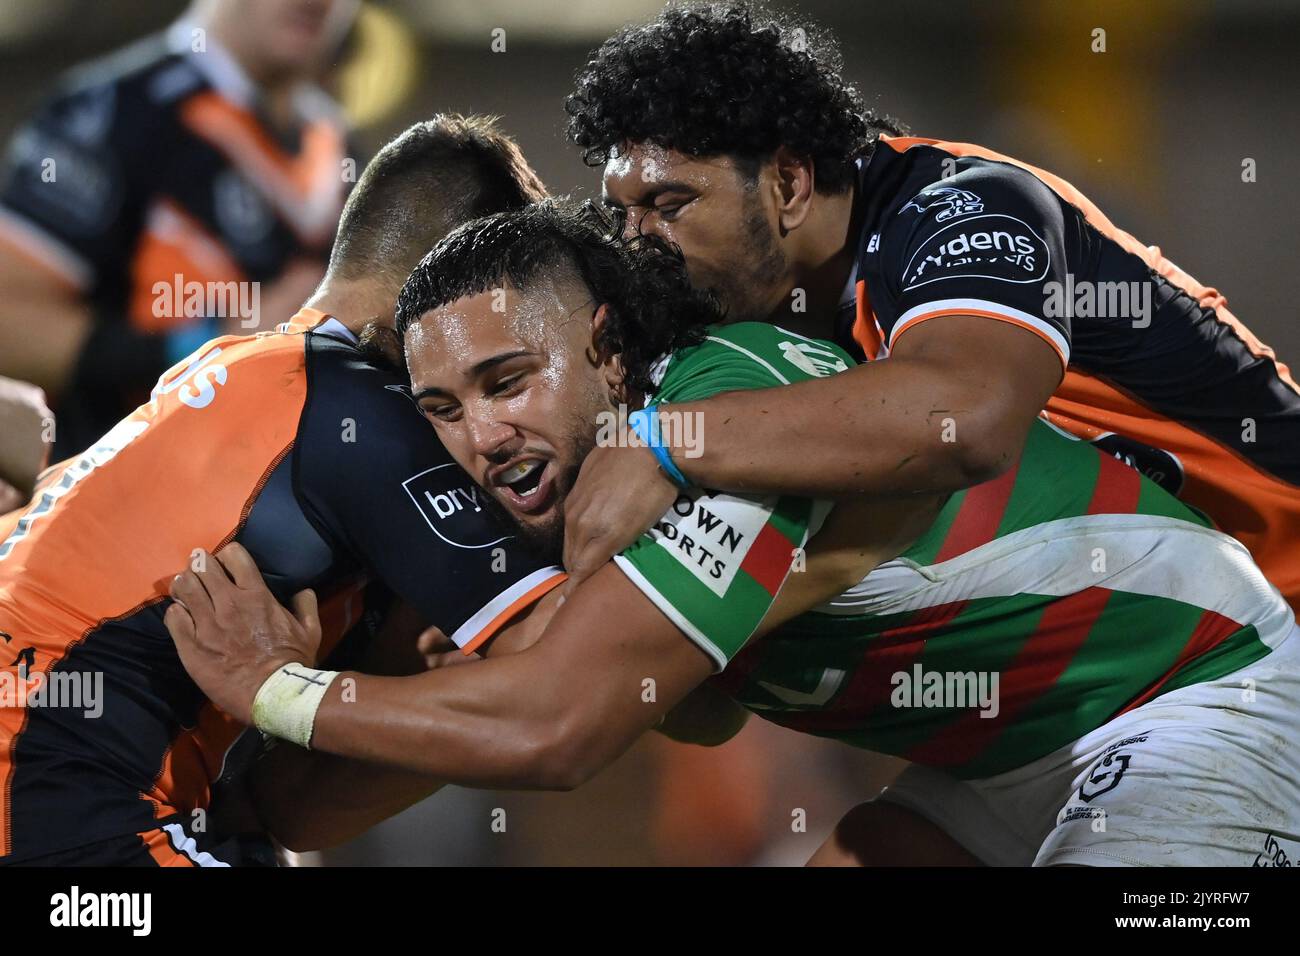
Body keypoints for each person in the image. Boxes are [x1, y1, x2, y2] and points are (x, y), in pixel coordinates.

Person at [165, 203, 1300, 866]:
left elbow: (558, 730)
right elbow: (317, 800)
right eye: (443, 410)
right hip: (999, 758)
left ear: (610, 351)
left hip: (1200, 694)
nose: (479, 435)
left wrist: (274, 687)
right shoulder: (562, 484)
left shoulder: (721, 403)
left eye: (507, 378)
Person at [558, 1, 1300, 617]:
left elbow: (965, 419)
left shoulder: (963, 210)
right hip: (1161, 648)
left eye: (669, 203)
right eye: (621, 214)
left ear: (787, 182)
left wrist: (661, 440)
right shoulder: (756, 304)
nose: (638, 242)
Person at [0, 114, 560, 866]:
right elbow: (562, 671)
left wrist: (291, 694)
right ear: (462, 285)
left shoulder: (229, 375)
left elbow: (294, 809)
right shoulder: (354, 405)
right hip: (62, 823)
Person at [0, 0, 359, 458]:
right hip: (123, 496)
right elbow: (8, 327)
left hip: (288, 498)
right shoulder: (107, 115)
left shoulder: (343, 147)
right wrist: (214, 347)